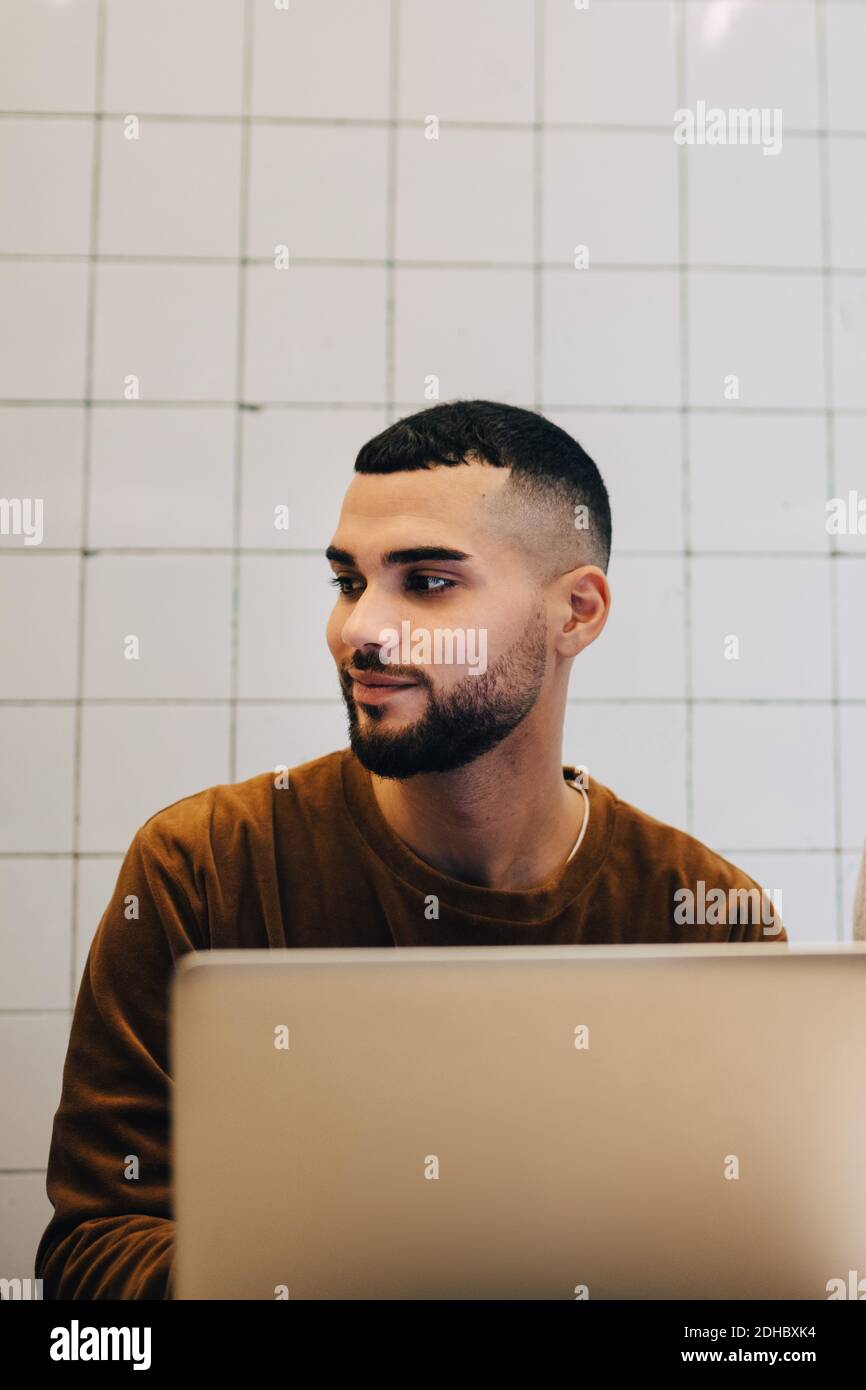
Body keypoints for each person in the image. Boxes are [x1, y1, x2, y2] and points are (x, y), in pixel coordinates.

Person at [35, 399, 786, 1299]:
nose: (358, 631)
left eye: (427, 582)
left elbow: (756, 1286)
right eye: (349, 582)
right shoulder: (202, 869)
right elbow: (94, 1250)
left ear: (577, 613)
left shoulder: (706, 921)